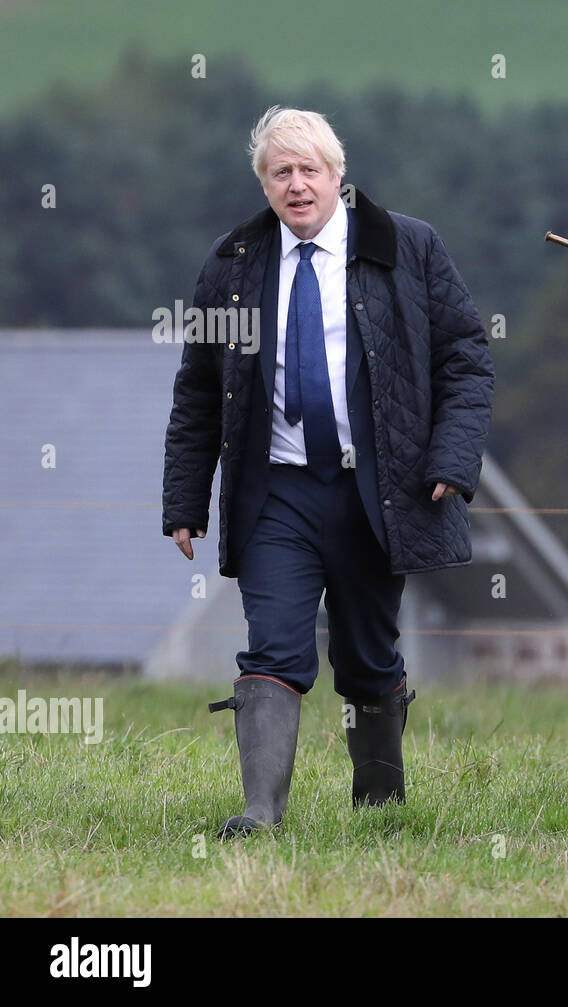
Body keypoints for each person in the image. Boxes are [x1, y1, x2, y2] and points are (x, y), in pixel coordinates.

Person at [162, 106, 493, 836]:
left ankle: (379, 808)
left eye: (310, 169)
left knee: (367, 655)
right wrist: (185, 497)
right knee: (273, 645)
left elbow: (466, 359)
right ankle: (259, 815)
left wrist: (451, 458)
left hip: (377, 490)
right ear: (265, 184)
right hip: (276, 491)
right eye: (281, 172)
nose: (297, 184)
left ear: (337, 177)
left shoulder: (408, 247)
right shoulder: (232, 263)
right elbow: (197, 387)